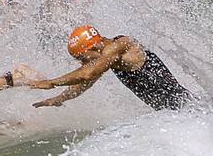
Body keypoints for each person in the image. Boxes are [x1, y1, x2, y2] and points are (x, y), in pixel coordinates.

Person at [22, 25, 192, 111]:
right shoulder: (107, 58)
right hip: (172, 112)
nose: (82, 63)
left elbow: (87, 73)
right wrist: (59, 99)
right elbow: (84, 82)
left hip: (186, 107)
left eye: (82, 58)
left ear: (92, 48)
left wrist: (51, 83)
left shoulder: (121, 45)